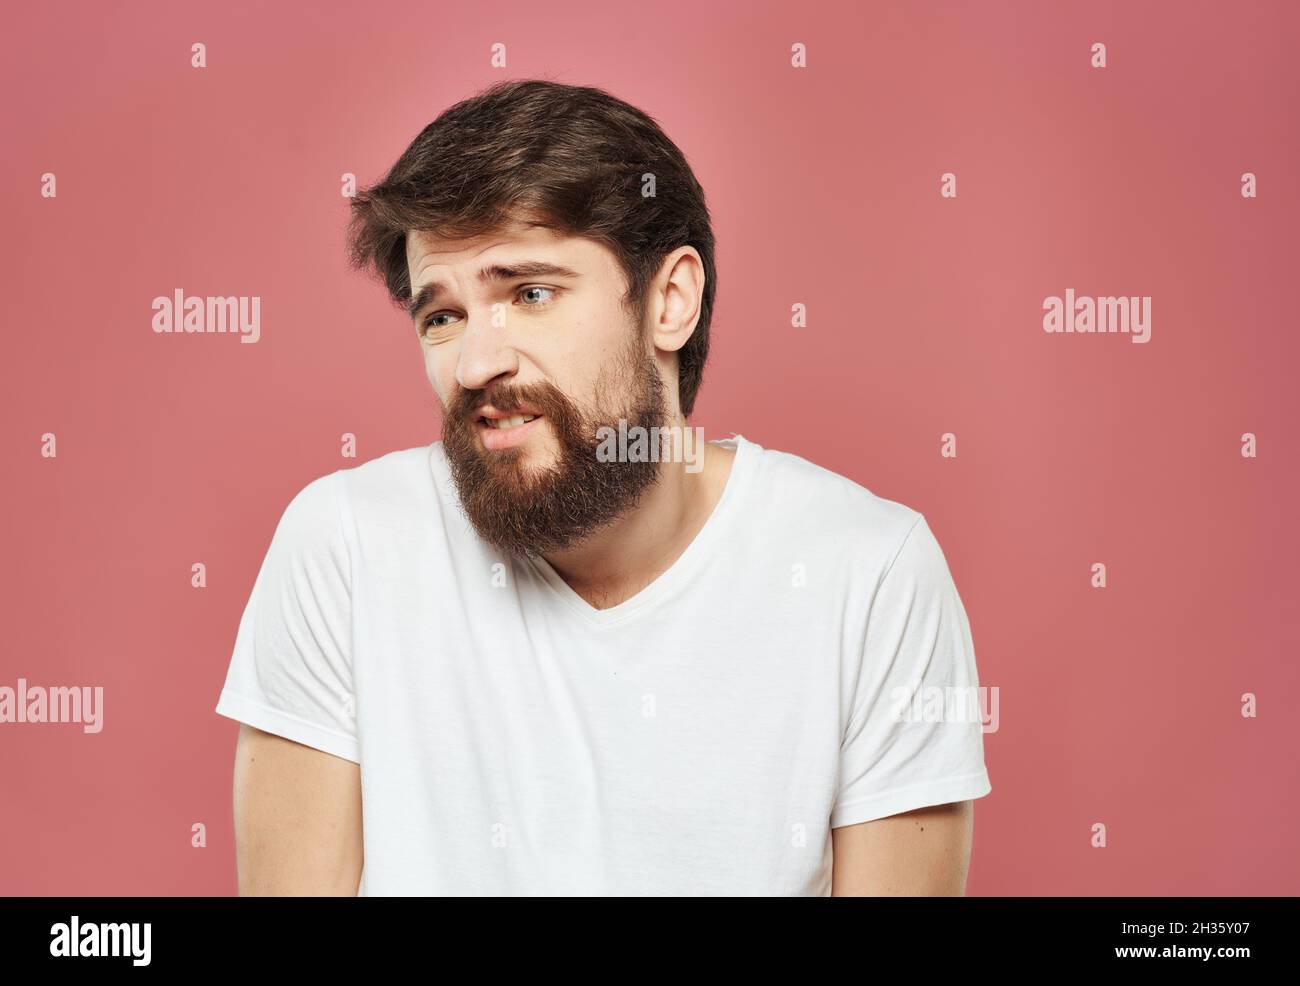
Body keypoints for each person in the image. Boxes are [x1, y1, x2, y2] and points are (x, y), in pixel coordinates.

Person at [215, 78, 991, 896]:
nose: (477, 365)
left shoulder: (870, 573)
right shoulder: (344, 548)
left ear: (670, 301)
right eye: (441, 316)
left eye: (530, 294)